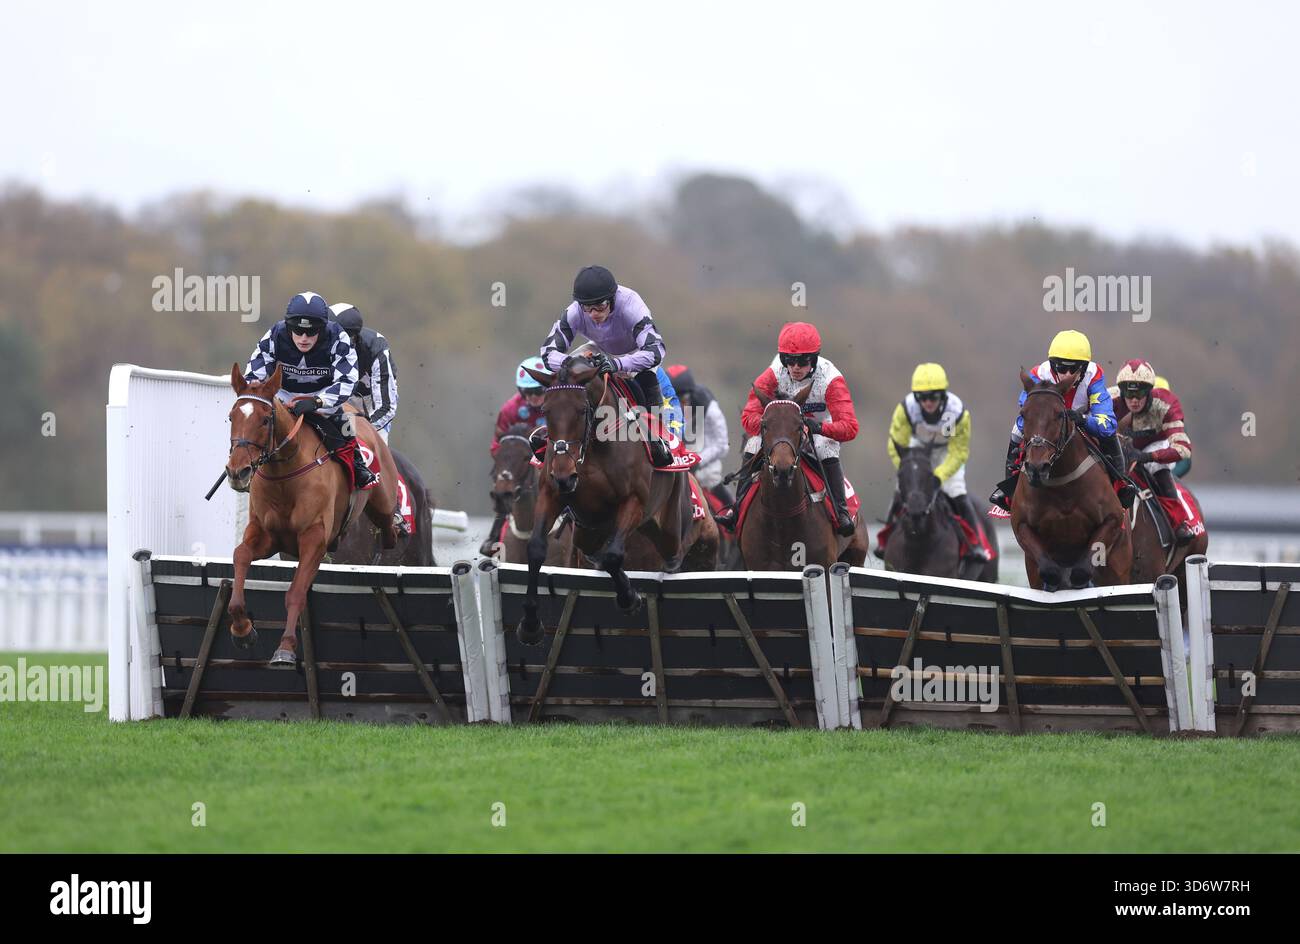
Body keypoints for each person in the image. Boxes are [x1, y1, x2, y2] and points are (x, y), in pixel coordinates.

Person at [716, 322, 859, 537]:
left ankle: (841, 512)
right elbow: (748, 417)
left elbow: (850, 428)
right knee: (754, 443)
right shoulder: (773, 374)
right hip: (782, 429)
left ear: (814, 358)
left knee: (825, 448)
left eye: (802, 361)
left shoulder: (831, 380)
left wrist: (818, 428)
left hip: (820, 428)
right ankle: (736, 509)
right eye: (789, 360)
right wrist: (773, 428)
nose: (795, 367)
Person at [539, 265, 682, 468]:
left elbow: (656, 350)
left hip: (635, 354)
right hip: (599, 350)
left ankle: (658, 438)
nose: (593, 314)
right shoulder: (574, 311)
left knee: (647, 375)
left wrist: (616, 364)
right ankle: (554, 435)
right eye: (587, 308)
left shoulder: (631, 305)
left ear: (613, 299)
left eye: (600, 307)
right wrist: (573, 363)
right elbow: (547, 353)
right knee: (567, 375)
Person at [243, 291, 377, 490]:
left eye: (311, 332)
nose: (304, 338)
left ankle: (357, 464)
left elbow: (348, 380)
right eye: (297, 331)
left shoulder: (338, 338)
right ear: (288, 327)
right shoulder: (274, 335)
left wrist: (318, 402)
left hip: (323, 398)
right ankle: (244, 464)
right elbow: (253, 376)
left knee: (346, 425)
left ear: (322, 329)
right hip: (283, 397)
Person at [989, 329, 1133, 511]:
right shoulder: (1038, 373)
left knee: (1109, 435)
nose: (1066, 374)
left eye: (1073, 368)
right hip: (1049, 422)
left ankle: (1120, 485)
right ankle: (1008, 491)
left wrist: (1082, 419)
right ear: (1052, 365)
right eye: (1061, 368)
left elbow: (1107, 424)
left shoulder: (1094, 374)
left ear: (1084, 367)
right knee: (1017, 430)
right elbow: (1025, 407)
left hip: (1081, 418)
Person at [874, 362, 987, 562]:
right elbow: (895, 444)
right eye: (922, 397)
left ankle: (976, 544)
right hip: (916, 451)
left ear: (942, 395)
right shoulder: (906, 410)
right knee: (901, 490)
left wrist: (939, 475)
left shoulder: (957, 412)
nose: (927, 402)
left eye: (933, 396)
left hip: (947, 453)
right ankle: (885, 540)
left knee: (956, 491)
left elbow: (959, 452)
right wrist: (906, 469)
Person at [1110, 359, 1196, 543]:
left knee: (1158, 467)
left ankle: (1179, 523)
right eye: (1128, 392)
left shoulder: (1166, 404)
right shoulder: (1110, 398)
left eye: (1139, 393)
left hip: (1152, 447)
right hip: (1121, 446)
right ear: (1120, 390)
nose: (1133, 400)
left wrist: (1147, 457)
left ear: (1150, 390)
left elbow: (1184, 450)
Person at [480, 357, 550, 555]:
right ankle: (495, 535)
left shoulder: (559, 403)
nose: (534, 397)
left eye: (538, 391)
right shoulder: (510, 410)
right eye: (528, 392)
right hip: (521, 464)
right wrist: (511, 463)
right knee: (504, 486)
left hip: (555, 459)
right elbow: (496, 446)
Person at [328, 302, 398, 443]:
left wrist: (361, 430)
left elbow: (386, 407)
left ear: (353, 337)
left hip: (370, 405)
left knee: (363, 452)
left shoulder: (376, 348)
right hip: (336, 401)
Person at [666, 364, 732, 507]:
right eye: (674, 402)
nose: (680, 408)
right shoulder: (663, 408)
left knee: (711, 478)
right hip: (677, 467)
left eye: (683, 400)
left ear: (690, 395)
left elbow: (722, 445)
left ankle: (731, 518)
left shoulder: (708, 406)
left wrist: (697, 461)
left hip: (705, 467)